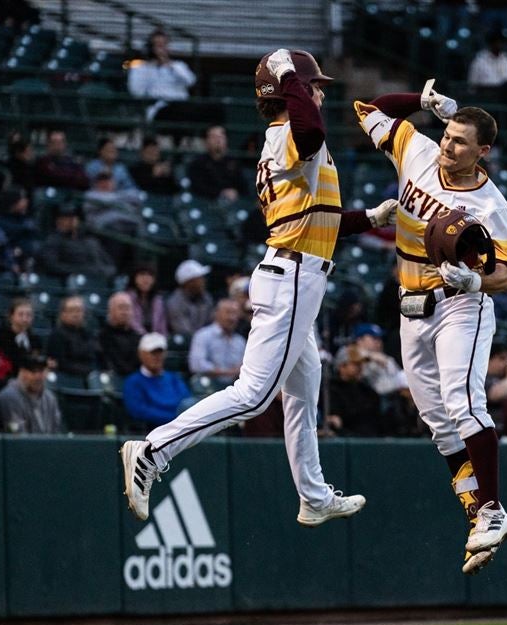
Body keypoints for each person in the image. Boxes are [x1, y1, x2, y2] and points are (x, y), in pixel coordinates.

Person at [122, 50, 390, 535]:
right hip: (292, 277)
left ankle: (312, 496)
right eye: (315, 85)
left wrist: (369, 219)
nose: (321, 91)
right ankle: (153, 451)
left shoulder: (286, 139)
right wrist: (289, 76)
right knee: (253, 395)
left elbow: (311, 219)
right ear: (292, 92)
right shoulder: (291, 133)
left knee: (305, 391)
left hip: (296, 270)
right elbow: (311, 132)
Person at [353, 79, 507, 574]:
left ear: (482, 151)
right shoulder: (418, 149)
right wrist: (422, 102)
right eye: (447, 134)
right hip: (410, 307)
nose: (449, 145)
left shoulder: (492, 205)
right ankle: (478, 517)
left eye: (460, 141)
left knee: (463, 403)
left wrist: (475, 281)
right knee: (438, 425)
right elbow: (369, 108)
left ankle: (493, 509)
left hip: (459, 305)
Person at [123, 332, 191, 430]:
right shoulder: (133, 382)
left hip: (180, 429)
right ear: (141, 354)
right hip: (152, 431)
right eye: (152, 353)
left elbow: (185, 400)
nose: (157, 357)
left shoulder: (174, 378)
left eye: (160, 353)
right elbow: (139, 411)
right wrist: (174, 419)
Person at [126, 28, 196, 122]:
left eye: (164, 45)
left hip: (180, 105)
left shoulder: (178, 65)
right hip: (159, 107)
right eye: (158, 45)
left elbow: (190, 81)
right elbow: (136, 91)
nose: (162, 49)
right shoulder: (141, 68)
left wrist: (170, 65)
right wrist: (150, 68)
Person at [36, 202, 116, 279]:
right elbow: (51, 266)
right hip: (71, 284)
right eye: (66, 218)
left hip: (100, 283)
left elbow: (110, 266)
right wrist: (82, 270)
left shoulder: (91, 240)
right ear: (58, 221)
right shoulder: (53, 240)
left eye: (74, 217)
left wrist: (102, 271)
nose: (72, 221)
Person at [324, 345, 383, 436]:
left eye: (361, 364)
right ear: (342, 366)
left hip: (370, 439)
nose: (360, 367)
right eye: (355, 364)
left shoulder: (367, 390)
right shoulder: (330, 389)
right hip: (345, 437)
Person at [0, 354, 62, 433]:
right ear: (22, 372)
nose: (38, 376)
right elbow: (16, 435)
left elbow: (56, 432)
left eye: (41, 371)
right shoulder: (9, 397)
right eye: (33, 371)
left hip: (48, 444)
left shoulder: (50, 398)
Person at [188, 298, 246, 380]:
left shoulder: (240, 341)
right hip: (208, 386)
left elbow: (244, 366)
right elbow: (196, 365)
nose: (232, 318)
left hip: (234, 386)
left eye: (235, 313)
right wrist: (226, 372)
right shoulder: (203, 335)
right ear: (217, 313)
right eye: (228, 312)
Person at [46, 295, 99, 376]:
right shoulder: (57, 335)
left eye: (79, 310)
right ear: (63, 314)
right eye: (71, 310)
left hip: (89, 377)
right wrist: (88, 371)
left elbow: (93, 359)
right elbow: (61, 364)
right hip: (66, 378)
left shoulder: (88, 334)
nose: (76, 314)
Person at [186, 125, 244, 201]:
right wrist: (221, 192)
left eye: (221, 137)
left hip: (232, 204)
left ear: (226, 140)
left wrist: (235, 192)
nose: (218, 140)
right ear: (207, 141)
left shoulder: (234, 162)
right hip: (205, 203)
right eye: (214, 137)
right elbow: (198, 188)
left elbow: (243, 186)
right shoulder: (198, 163)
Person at [165, 259, 215, 335]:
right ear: (189, 282)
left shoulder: (207, 298)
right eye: (199, 279)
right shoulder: (175, 302)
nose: (204, 281)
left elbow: (212, 325)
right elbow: (184, 332)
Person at [0, 297, 43, 371]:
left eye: (28, 315)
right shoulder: (3, 337)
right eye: (20, 314)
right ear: (11, 316)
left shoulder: (35, 340)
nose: (25, 319)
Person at [100, 292, 142, 377]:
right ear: (110, 311)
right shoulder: (102, 337)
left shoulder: (138, 338)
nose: (125, 312)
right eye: (121, 308)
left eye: (127, 308)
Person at [126, 262, 168, 336]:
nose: (146, 278)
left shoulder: (158, 301)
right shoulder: (127, 298)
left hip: (156, 342)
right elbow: (131, 323)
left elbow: (162, 328)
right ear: (134, 278)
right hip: (133, 339)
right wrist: (147, 338)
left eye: (150, 275)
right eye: (142, 274)